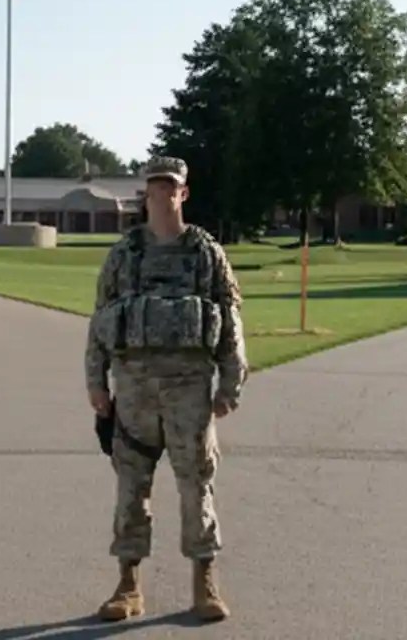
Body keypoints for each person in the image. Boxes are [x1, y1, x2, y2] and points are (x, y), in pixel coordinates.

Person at [84, 155, 249, 623]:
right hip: (133, 389)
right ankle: (128, 584)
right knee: (131, 487)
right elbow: (99, 321)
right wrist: (96, 383)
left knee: (196, 484)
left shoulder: (206, 254)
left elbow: (231, 322)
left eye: (170, 186)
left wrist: (230, 383)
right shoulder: (124, 254)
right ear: (146, 193)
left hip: (188, 390)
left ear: (183, 193)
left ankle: (204, 581)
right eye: (154, 186)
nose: (161, 194)